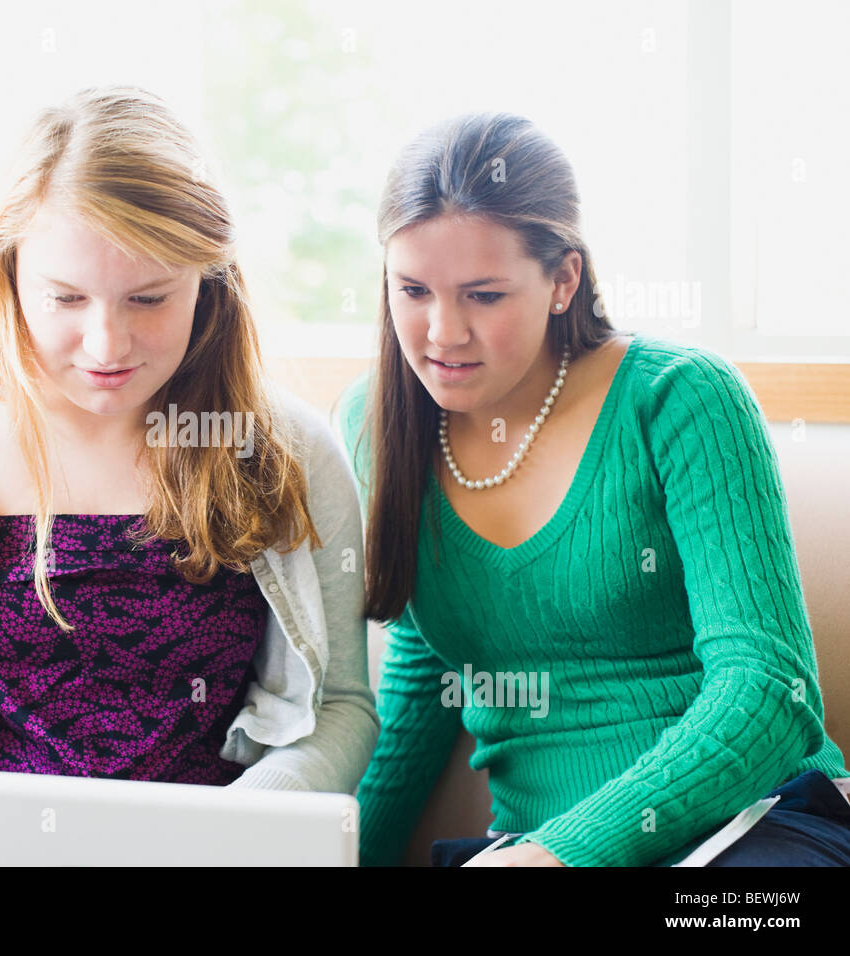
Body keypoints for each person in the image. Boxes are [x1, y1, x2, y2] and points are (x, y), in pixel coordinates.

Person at [0, 86, 378, 796]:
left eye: (149, 298)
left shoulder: (289, 451)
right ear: (10, 275)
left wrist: (247, 823)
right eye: (66, 298)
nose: (107, 345)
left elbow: (339, 708)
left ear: (209, 281)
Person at [336, 111, 850, 866]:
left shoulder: (681, 399)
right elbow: (422, 684)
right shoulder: (376, 424)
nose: (442, 332)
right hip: (528, 850)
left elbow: (770, 688)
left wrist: (564, 853)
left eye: (484, 295)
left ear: (563, 280)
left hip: (753, 826)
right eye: (412, 289)